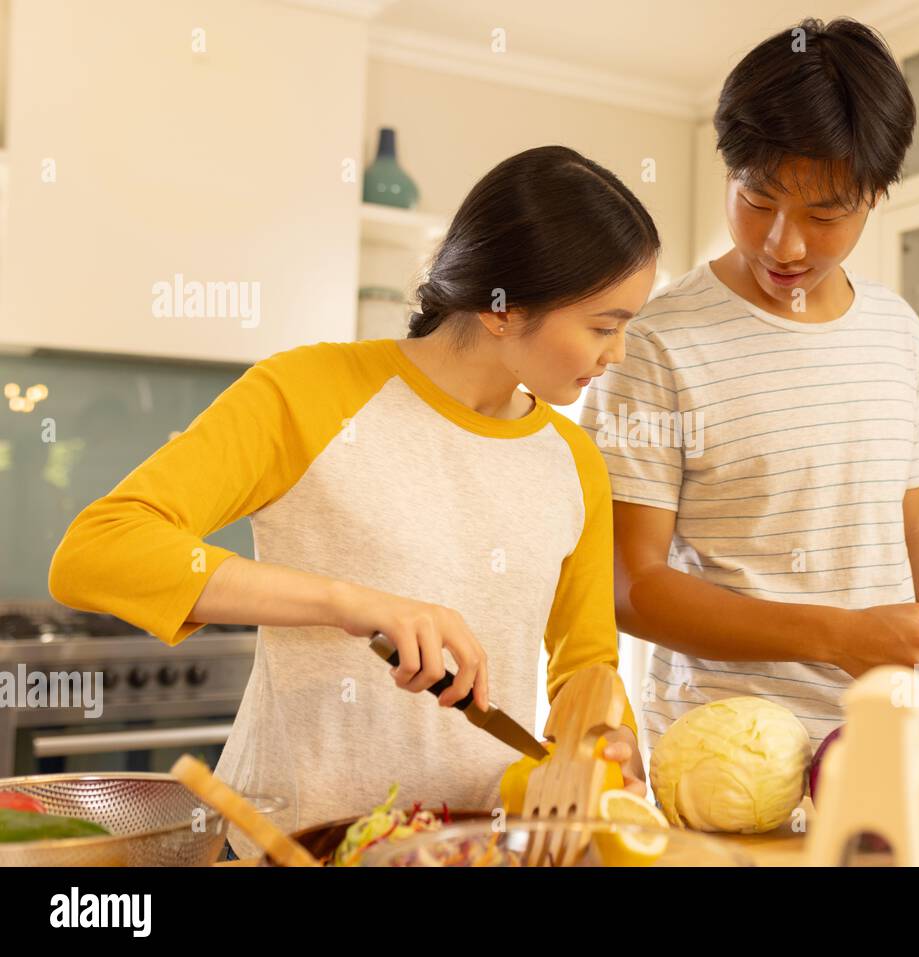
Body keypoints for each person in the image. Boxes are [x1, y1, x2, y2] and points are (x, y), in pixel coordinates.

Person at [50, 145, 655, 858]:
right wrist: (352, 603)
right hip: (290, 842)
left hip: (467, 849)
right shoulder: (311, 391)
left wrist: (603, 740)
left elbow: (585, 663)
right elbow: (97, 550)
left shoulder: (573, 460)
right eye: (603, 326)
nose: (615, 354)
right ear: (503, 308)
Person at [580, 19, 919, 756]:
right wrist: (842, 636)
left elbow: (913, 533)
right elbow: (629, 586)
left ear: (876, 194)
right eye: (758, 198)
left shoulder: (896, 330)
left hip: (879, 748)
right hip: (720, 758)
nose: (783, 243)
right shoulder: (652, 339)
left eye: (824, 213)